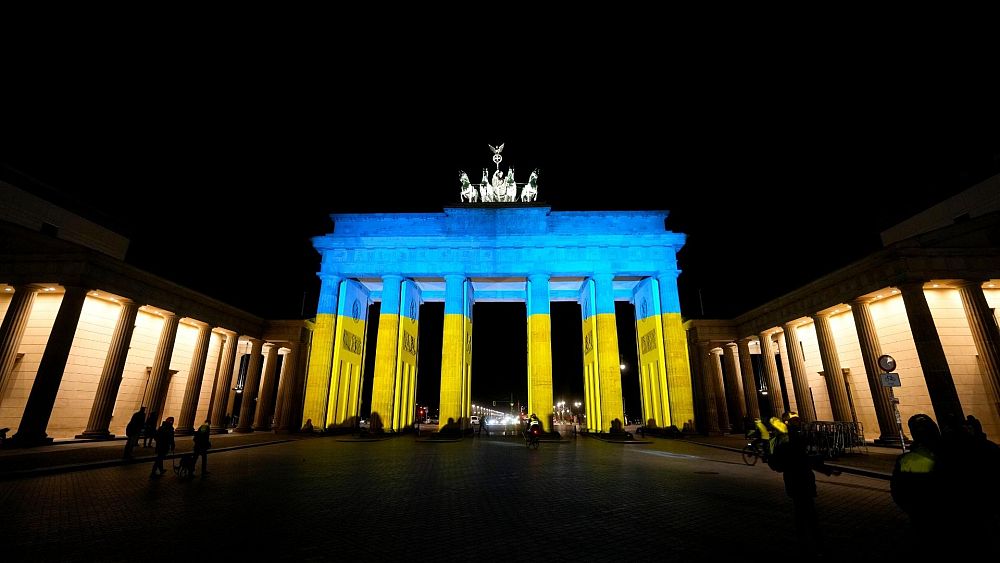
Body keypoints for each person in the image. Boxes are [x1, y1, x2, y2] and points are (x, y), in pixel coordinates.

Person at [768, 413, 840, 554]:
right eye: (798, 425)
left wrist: (827, 470)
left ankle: (806, 538)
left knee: (802, 510)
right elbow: (806, 461)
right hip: (801, 480)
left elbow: (803, 460)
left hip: (795, 480)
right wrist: (828, 470)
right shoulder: (793, 444)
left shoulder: (786, 443)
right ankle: (812, 540)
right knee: (807, 511)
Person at [890, 413, 941, 537]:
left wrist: (913, 510)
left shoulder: (908, 460)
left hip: (922, 515)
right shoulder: (956, 453)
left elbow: (899, 491)